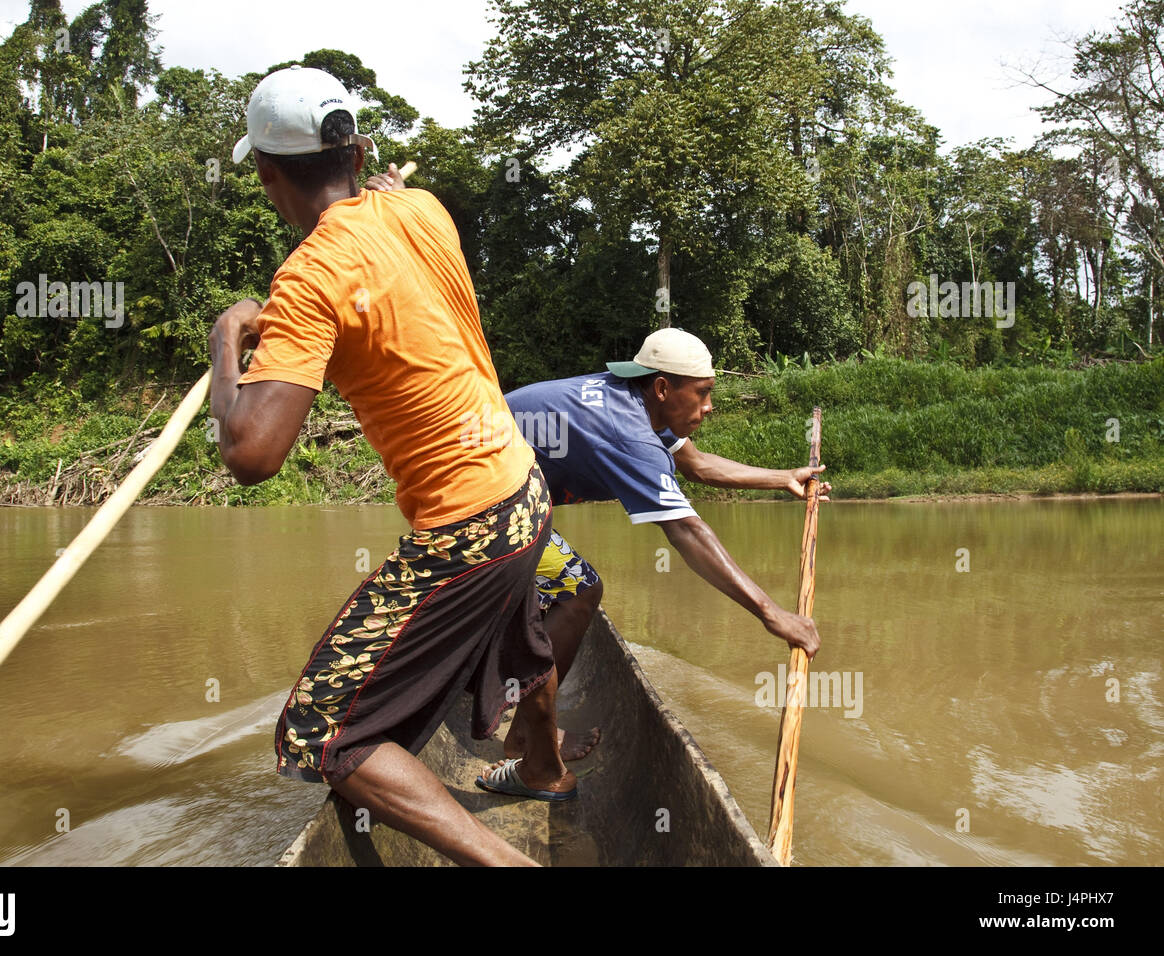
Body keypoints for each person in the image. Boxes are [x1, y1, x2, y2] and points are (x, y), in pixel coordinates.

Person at [208, 65, 573, 866]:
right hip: (523, 491)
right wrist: (383, 188)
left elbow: (250, 454)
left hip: (470, 525)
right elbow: (387, 205)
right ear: (356, 148)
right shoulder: (419, 208)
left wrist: (227, 341)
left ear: (268, 173)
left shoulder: (309, 277)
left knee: (322, 733)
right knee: (527, 629)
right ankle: (542, 769)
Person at [499, 328, 828, 743]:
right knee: (579, 591)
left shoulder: (637, 401)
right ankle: (528, 737)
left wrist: (783, 479)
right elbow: (687, 532)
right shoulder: (627, 431)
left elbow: (698, 466)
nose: (709, 407)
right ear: (661, 387)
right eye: (703, 392)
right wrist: (772, 613)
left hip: (506, 489)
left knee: (566, 589)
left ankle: (521, 699)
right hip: (481, 494)